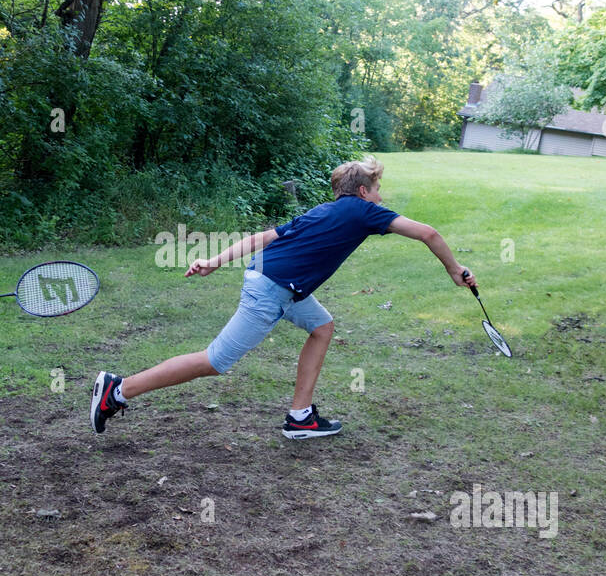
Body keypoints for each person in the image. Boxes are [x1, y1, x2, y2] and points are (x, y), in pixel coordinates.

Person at [91, 156, 477, 439]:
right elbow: (428, 233)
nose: (381, 196)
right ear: (363, 192)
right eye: (377, 190)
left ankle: (300, 416)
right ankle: (118, 390)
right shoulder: (364, 212)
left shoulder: (322, 210)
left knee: (322, 327)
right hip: (271, 290)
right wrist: (453, 269)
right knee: (214, 361)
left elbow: (262, 237)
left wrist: (215, 259)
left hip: (275, 281)